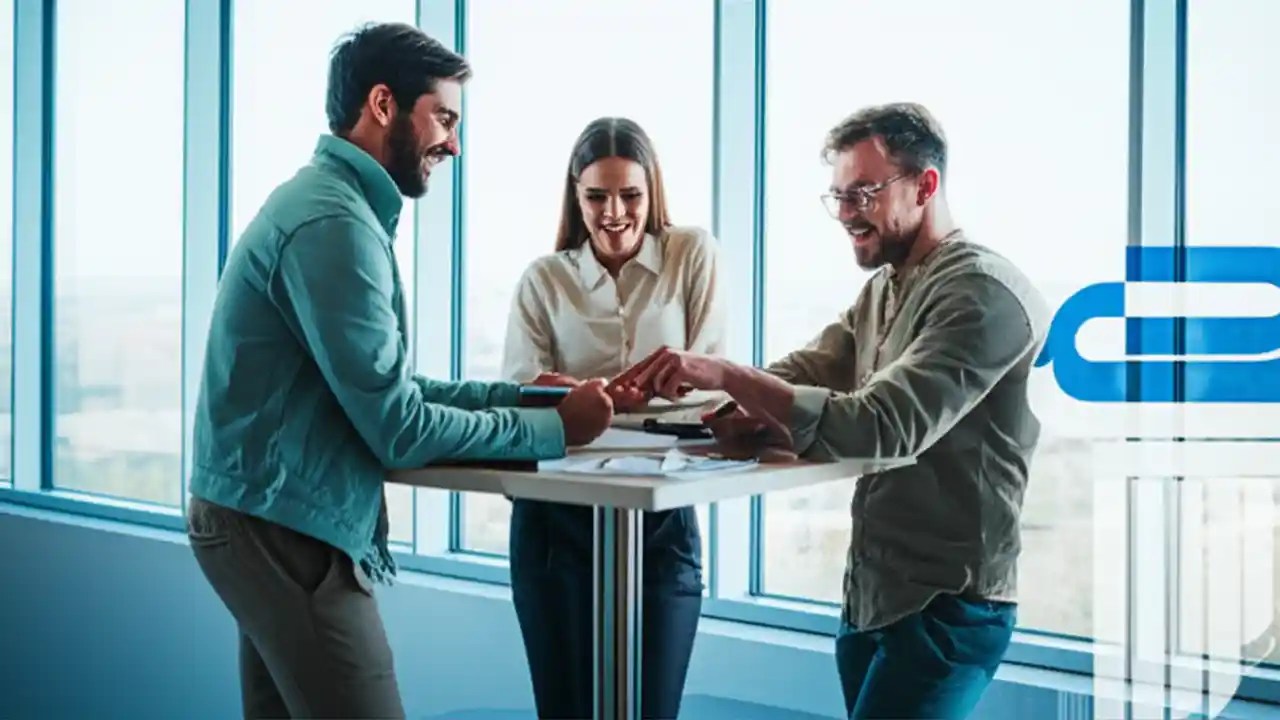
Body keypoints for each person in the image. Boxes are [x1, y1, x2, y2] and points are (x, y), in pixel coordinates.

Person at [185, 23, 612, 719]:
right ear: (383, 104)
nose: (454, 144)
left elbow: (390, 389)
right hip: (281, 530)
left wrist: (525, 397)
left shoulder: (333, 206)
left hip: (262, 517)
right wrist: (552, 430)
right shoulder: (333, 224)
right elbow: (398, 427)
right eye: (443, 118)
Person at [625, 103, 1051, 720]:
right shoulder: (883, 289)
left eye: (863, 194)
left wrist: (728, 375)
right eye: (839, 197)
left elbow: (882, 426)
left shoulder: (984, 295)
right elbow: (808, 369)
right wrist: (715, 401)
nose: (848, 213)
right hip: (872, 598)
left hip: (948, 608)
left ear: (925, 185)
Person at [500, 116, 727, 720]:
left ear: (652, 192)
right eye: (597, 196)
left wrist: (587, 401)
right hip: (557, 519)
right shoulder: (544, 279)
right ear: (576, 197)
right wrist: (630, 397)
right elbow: (522, 401)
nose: (614, 213)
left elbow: (709, 389)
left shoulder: (691, 255)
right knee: (567, 710)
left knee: (653, 710)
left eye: (630, 195)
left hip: (662, 513)